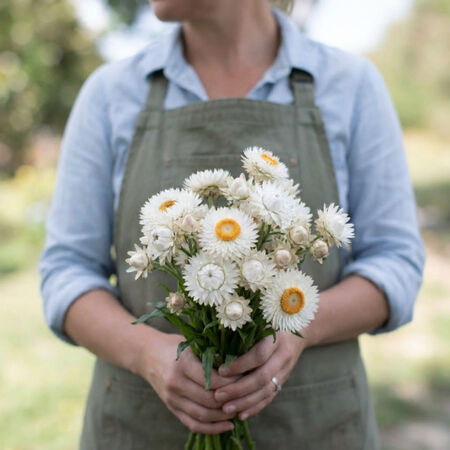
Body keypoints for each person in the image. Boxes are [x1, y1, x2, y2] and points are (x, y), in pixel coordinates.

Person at [39, 0, 425, 448]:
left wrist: (297, 326)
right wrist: (146, 353)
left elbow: (396, 260)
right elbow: (65, 271)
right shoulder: (109, 93)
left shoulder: (351, 86)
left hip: (314, 428)